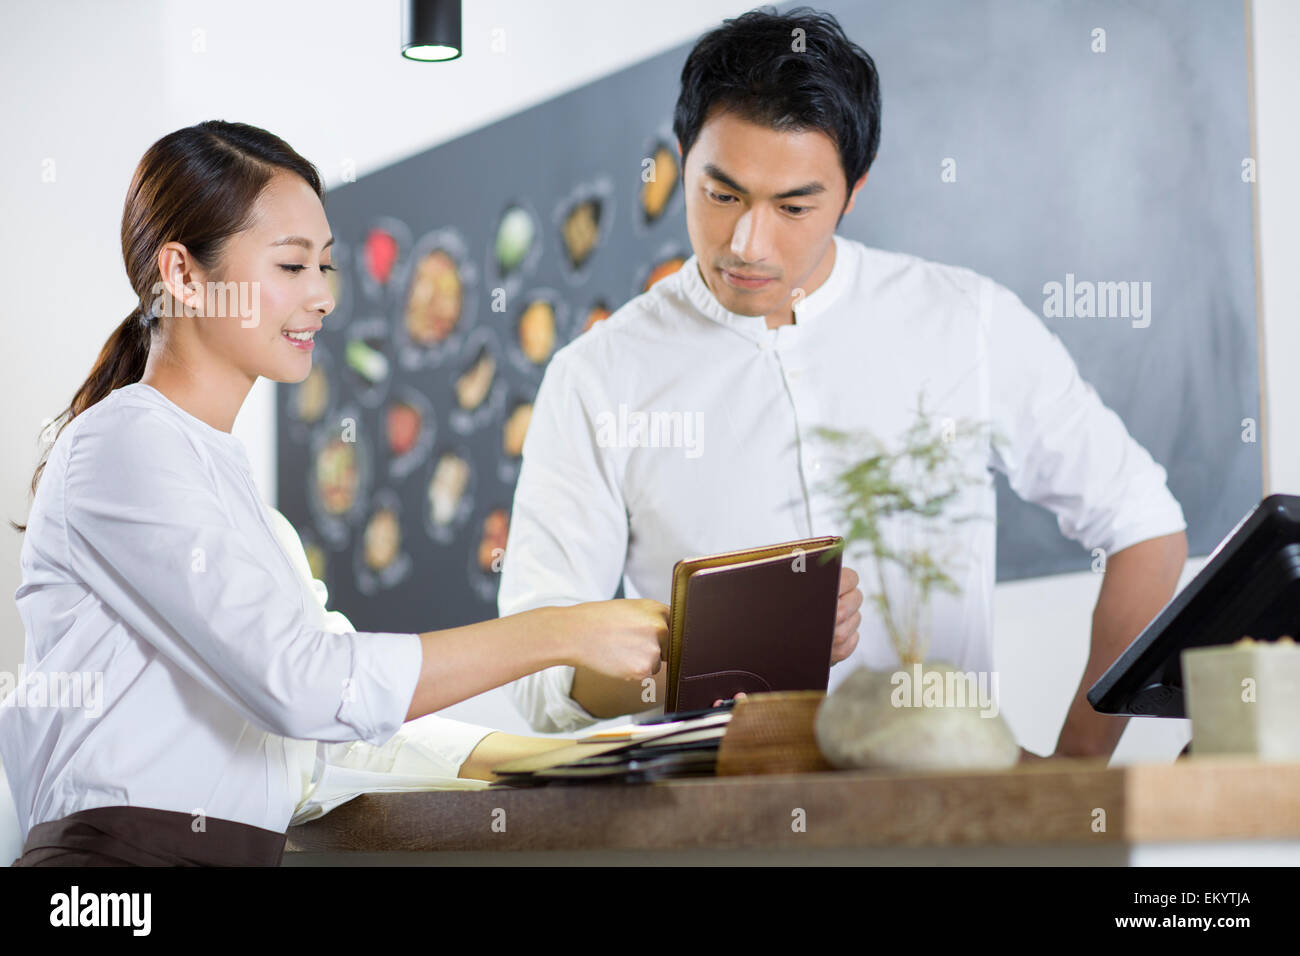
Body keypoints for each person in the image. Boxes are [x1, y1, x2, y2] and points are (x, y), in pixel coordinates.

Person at [498, 6, 1188, 758]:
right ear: (681, 158)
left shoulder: (965, 321)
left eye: (794, 206)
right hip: (717, 825)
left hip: (947, 814)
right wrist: (708, 652)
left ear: (854, 191)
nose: (746, 243)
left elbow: (1144, 526)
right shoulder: (597, 377)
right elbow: (541, 679)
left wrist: (1076, 772)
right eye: (720, 193)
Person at [0, 120, 666, 867]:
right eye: (291, 267)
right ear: (183, 275)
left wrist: (556, 758)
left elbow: (343, 707)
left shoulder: (249, 511)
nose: (321, 297)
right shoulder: (121, 445)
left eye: (326, 266)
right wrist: (563, 631)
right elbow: (306, 687)